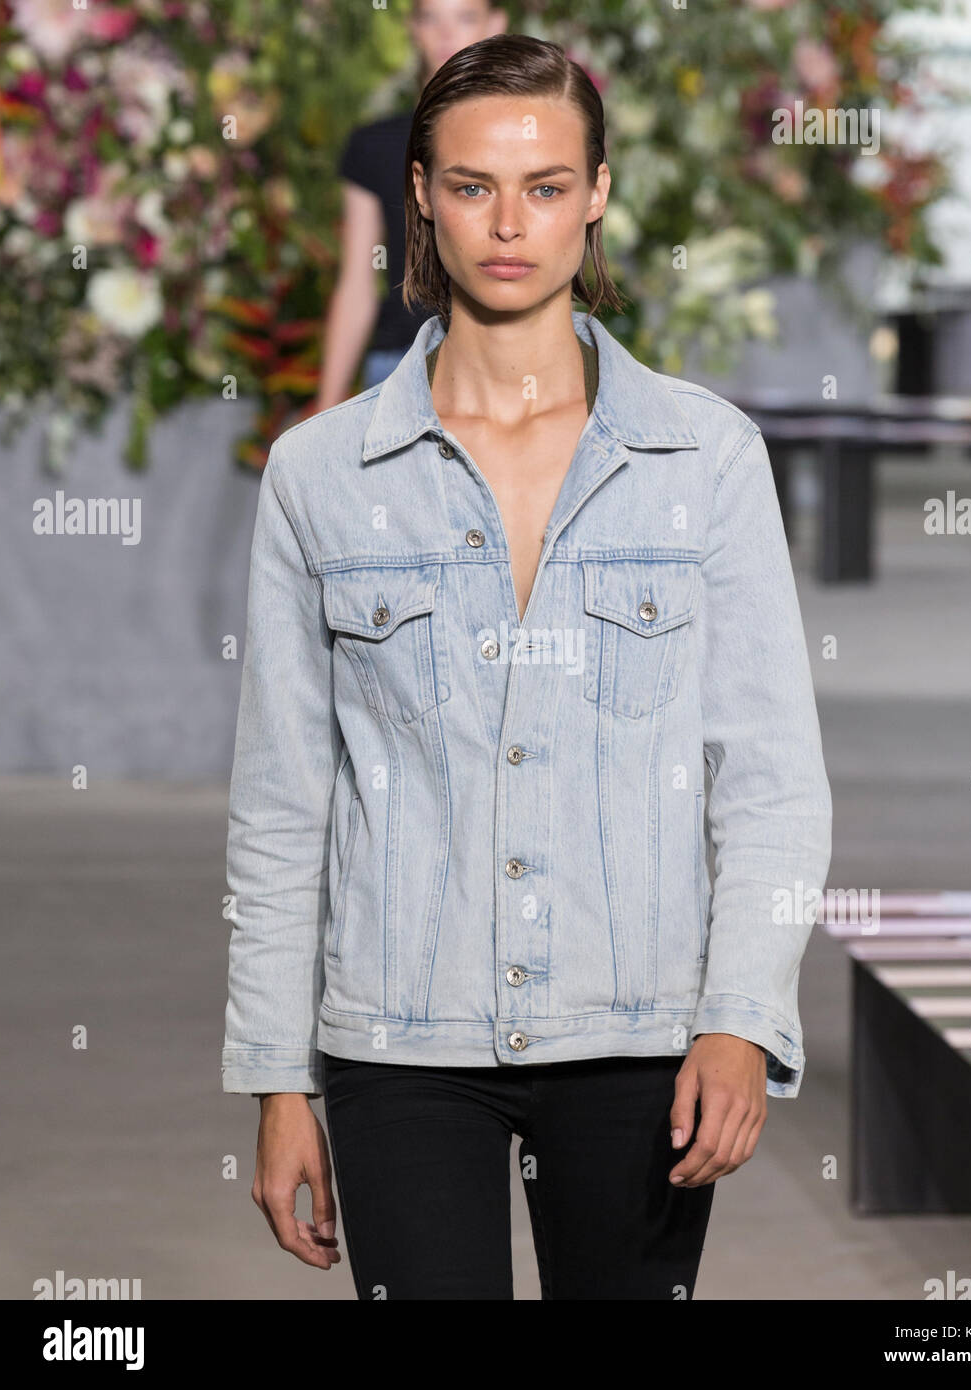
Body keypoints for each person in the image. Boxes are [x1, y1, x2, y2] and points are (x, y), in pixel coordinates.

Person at [222, 33, 833, 1300]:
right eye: (470, 186)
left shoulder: (701, 461)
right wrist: (279, 1079)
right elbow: (285, 807)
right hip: (399, 1037)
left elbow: (769, 779)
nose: (509, 224)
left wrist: (738, 1014)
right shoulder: (320, 476)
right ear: (422, 198)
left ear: (597, 194)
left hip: (639, 1030)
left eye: (546, 186)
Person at [313, 0, 508, 410]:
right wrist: (324, 410)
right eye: (431, 18)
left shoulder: (528, 137)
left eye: (464, 18)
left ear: (496, 24)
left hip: (502, 366)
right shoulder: (375, 144)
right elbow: (357, 284)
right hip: (398, 366)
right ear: (413, 27)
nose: (446, 34)